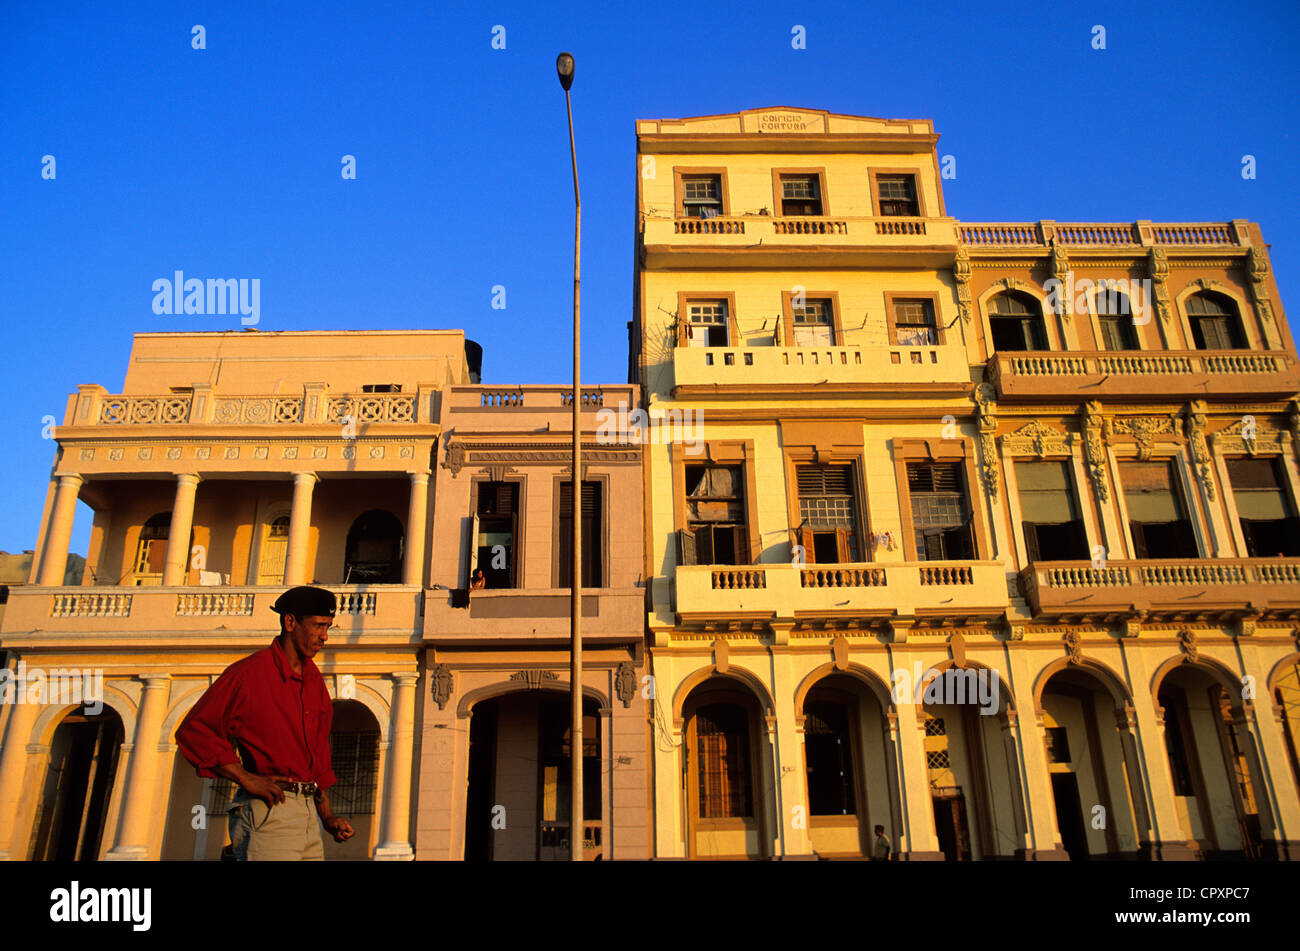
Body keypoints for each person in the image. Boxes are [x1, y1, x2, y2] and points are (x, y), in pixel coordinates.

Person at [177, 584, 355, 860]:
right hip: (270, 811)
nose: (325, 636)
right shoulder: (249, 674)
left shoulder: (314, 681)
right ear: (290, 622)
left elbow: (317, 759)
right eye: (319, 626)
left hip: (309, 818)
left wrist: (327, 816)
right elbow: (194, 730)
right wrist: (244, 777)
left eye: (328, 627)